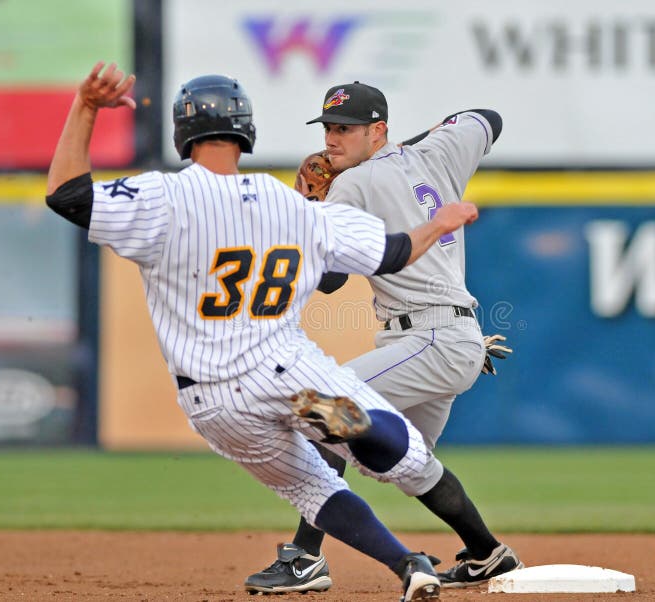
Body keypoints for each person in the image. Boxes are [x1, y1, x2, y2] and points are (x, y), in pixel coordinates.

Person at [45, 61, 482, 602]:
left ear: (182, 134)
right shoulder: (286, 204)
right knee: (396, 448)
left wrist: (86, 107)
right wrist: (437, 223)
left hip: (215, 405)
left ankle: (402, 561)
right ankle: (459, 545)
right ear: (246, 131)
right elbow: (391, 253)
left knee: (313, 488)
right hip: (293, 383)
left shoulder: (160, 197)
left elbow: (66, 195)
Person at [245, 82, 522, 595]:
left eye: (346, 129)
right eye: (329, 128)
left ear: (377, 130)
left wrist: (312, 206)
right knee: (409, 466)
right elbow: (488, 116)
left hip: (431, 339)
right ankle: (488, 553)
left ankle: (304, 558)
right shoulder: (439, 153)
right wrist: (408, 147)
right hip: (447, 337)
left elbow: (329, 280)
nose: (332, 139)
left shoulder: (353, 183)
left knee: (325, 409)